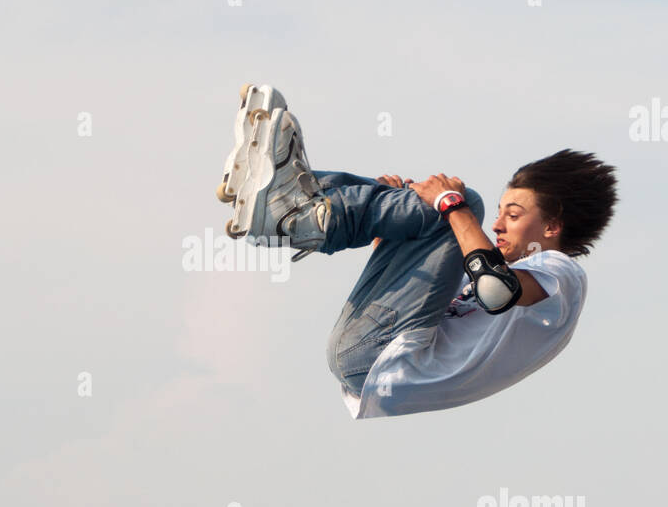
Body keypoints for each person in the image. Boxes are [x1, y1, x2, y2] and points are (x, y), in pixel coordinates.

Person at [216, 84, 617, 418]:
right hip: (364, 357)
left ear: (551, 226)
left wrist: (450, 205)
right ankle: (279, 199)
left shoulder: (562, 274)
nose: (496, 225)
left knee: (463, 204)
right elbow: (413, 280)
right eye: (501, 213)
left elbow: (498, 291)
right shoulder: (483, 266)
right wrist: (394, 217)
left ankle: (292, 212)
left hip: (382, 359)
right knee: (411, 203)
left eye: (512, 215)